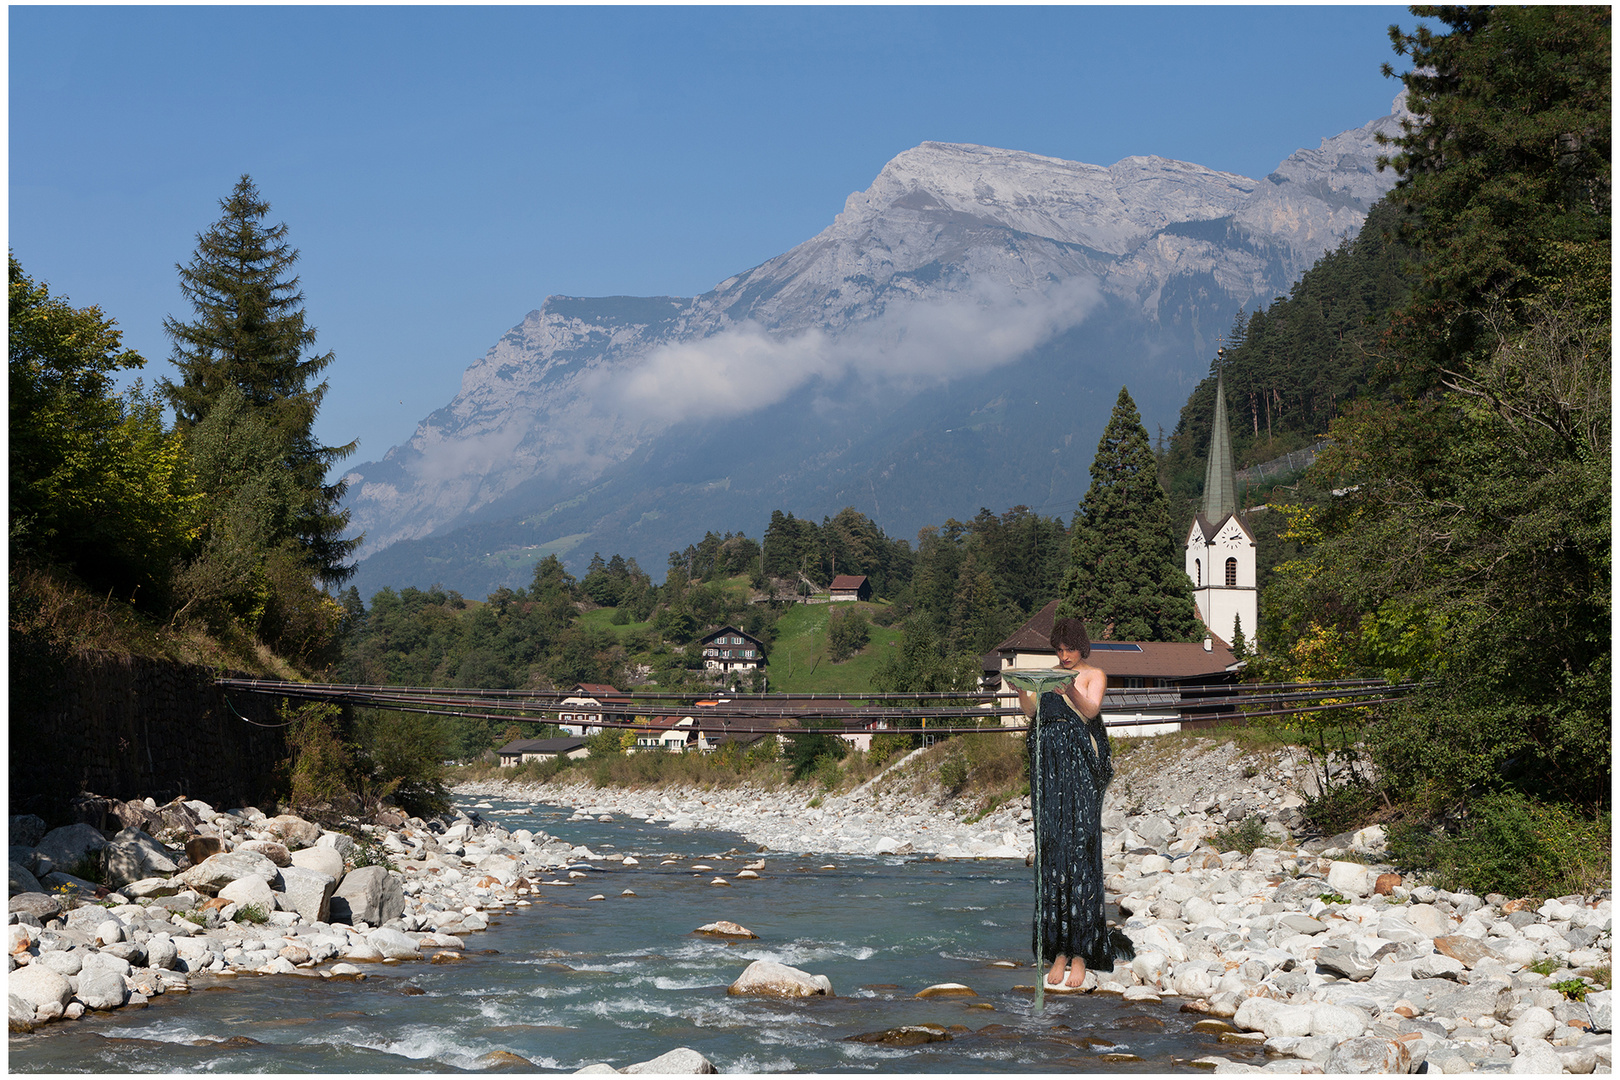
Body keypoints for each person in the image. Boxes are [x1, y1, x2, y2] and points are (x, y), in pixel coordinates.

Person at [1014, 615, 1134, 991]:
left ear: (1082, 646)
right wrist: (1022, 690)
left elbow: (1091, 711)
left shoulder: (1093, 674)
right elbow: (1032, 714)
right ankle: (1059, 951)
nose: (1064, 655)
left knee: (1081, 854)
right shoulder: (1046, 676)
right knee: (1053, 855)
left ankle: (1082, 952)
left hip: (1080, 774)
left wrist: (1068, 690)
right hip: (1048, 774)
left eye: (1070, 649)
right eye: (1059, 649)